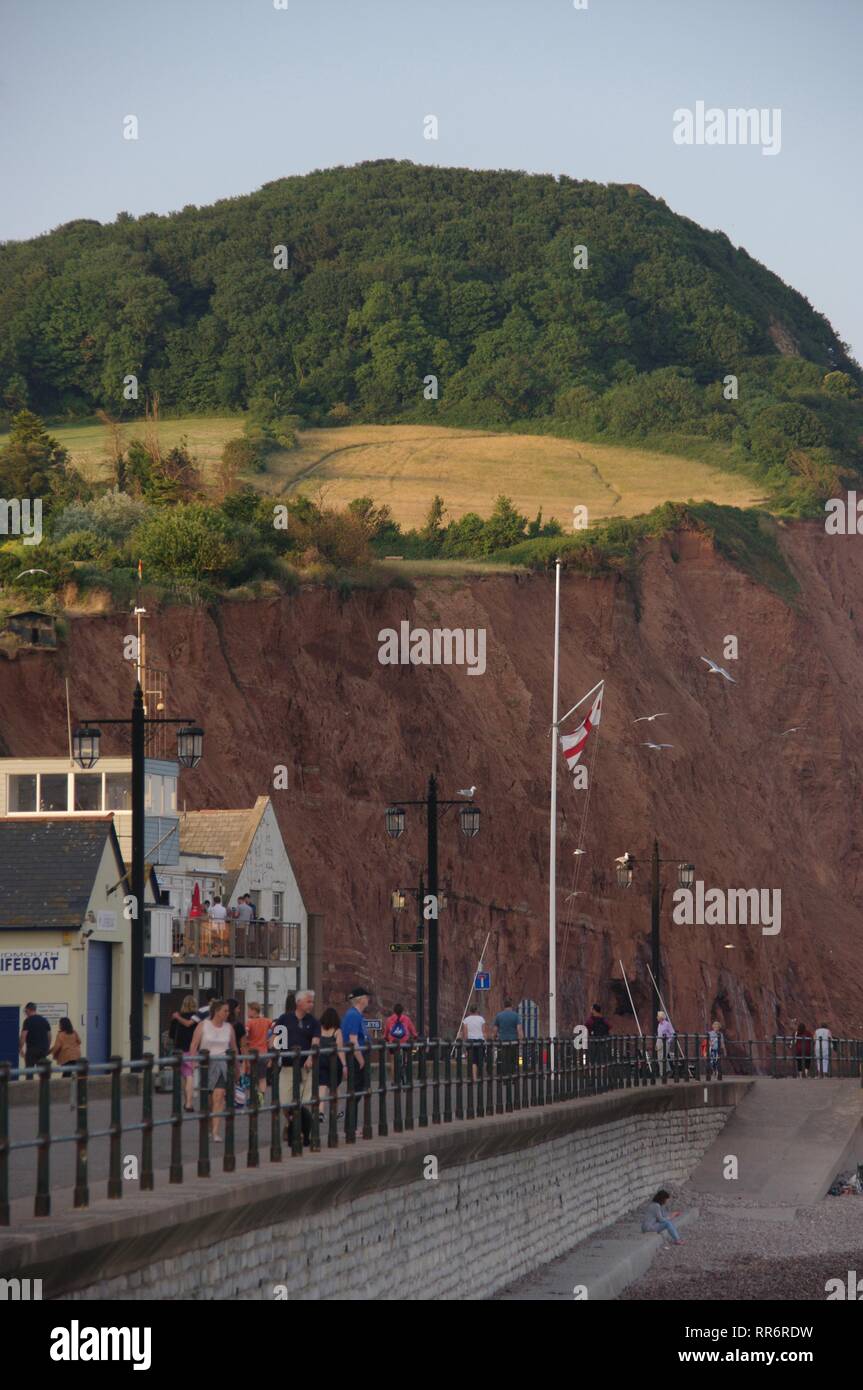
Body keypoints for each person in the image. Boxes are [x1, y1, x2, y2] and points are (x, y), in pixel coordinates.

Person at [272, 990, 321, 1145]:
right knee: (285, 1103)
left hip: (304, 1068)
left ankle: (299, 1131)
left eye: (312, 1002)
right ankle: (292, 1123)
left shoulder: (313, 1022)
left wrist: (310, 1057)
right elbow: (275, 1039)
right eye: (309, 1001)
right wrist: (274, 1049)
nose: (311, 1005)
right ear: (298, 1002)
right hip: (287, 1066)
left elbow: (315, 1042)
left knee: (302, 1102)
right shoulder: (285, 1019)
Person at [188, 999, 238, 1142]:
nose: (228, 1013)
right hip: (206, 1064)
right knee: (209, 1102)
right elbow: (194, 1045)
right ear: (216, 1011)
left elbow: (234, 1048)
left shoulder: (229, 1028)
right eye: (225, 1011)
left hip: (222, 1063)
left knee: (219, 1096)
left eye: (229, 1011)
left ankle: (216, 1132)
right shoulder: (203, 1026)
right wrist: (193, 1062)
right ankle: (209, 1126)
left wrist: (237, 1067)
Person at [317, 1007, 348, 1124]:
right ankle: (336, 1112)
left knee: (322, 1086)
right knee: (334, 1087)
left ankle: (320, 1111)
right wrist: (344, 1065)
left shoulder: (319, 1030)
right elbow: (340, 1050)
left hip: (321, 1061)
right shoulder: (337, 1031)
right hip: (334, 1063)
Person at [169, 994, 199, 1110]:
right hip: (190, 1050)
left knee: (184, 1076)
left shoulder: (177, 1017)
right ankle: (189, 1103)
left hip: (178, 1050)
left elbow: (171, 1034)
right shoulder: (196, 1019)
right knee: (190, 1076)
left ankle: (186, 1101)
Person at [49, 1017, 82, 1107]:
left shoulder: (60, 1035)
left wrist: (51, 1053)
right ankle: (78, 1092)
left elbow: (57, 1047)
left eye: (60, 1024)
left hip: (66, 1056)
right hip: (76, 1055)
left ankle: (64, 1094)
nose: (59, 1025)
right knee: (74, 1073)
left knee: (66, 1074)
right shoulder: (74, 1032)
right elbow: (79, 1041)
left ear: (62, 1025)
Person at [383, 1002, 418, 1084]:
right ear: (402, 1011)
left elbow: (386, 1034)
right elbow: (413, 1031)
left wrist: (386, 1038)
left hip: (393, 1043)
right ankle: (405, 1068)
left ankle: (393, 1080)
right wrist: (415, 1036)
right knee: (407, 1056)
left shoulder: (389, 1020)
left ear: (394, 1011)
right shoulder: (406, 1019)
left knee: (393, 1061)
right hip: (404, 1042)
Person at [245, 1001, 273, 1098]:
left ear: (253, 1010)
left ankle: (253, 1098)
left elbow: (246, 1034)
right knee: (262, 1078)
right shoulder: (266, 1021)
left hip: (252, 1053)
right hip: (264, 1053)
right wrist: (272, 1038)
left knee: (253, 1078)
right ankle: (261, 1097)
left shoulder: (250, 1022)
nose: (247, 1012)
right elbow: (276, 1025)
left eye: (249, 1010)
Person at [493, 998, 523, 1078]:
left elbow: (495, 1029)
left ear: (504, 1006)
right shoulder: (515, 1015)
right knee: (513, 1059)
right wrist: (521, 1039)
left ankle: (504, 1076)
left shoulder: (499, 1015)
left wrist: (494, 1037)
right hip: (513, 1040)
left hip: (502, 1040)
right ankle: (513, 1075)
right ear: (511, 1005)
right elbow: (519, 1029)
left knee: (504, 1059)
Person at [19, 1003, 51, 1072]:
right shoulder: (44, 1020)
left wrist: (20, 1048)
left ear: (28, 1010)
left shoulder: (27, 1021)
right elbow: (49, 1035)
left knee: (29, 1071)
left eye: (25, 1011)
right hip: (43, 1049)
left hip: (32, 1050)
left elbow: (23, 1036)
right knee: (43, 1072)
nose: (25, 1012)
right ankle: (44, 1082)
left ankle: (29, 1083)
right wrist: (47, 1047)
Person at [461, 1003, 487, 1082]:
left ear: (470, 1011)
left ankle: (474, 1077)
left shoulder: (466, 1020)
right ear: (477, 1010)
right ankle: (480, 1076)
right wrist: (485, 1041)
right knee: (480, 1059)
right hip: (480, 1041)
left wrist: (465, 1044)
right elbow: (484, 1032)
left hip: (471, 1041)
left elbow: (465, 1033)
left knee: (473, 1061)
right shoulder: (481, 1019)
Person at [656, 1010, 675, 1076]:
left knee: (663, 1057)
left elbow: (673, 1033)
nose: (657, 1017)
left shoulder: (667, 1024)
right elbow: (659, 1034)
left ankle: (662, 1073)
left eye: (658, 1016)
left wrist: (669, 1041)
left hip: (665, 1041)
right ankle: (667, 1070)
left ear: (661, 1017)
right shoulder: (659, 1025)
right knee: (659, 1058)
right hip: (659, 1041)